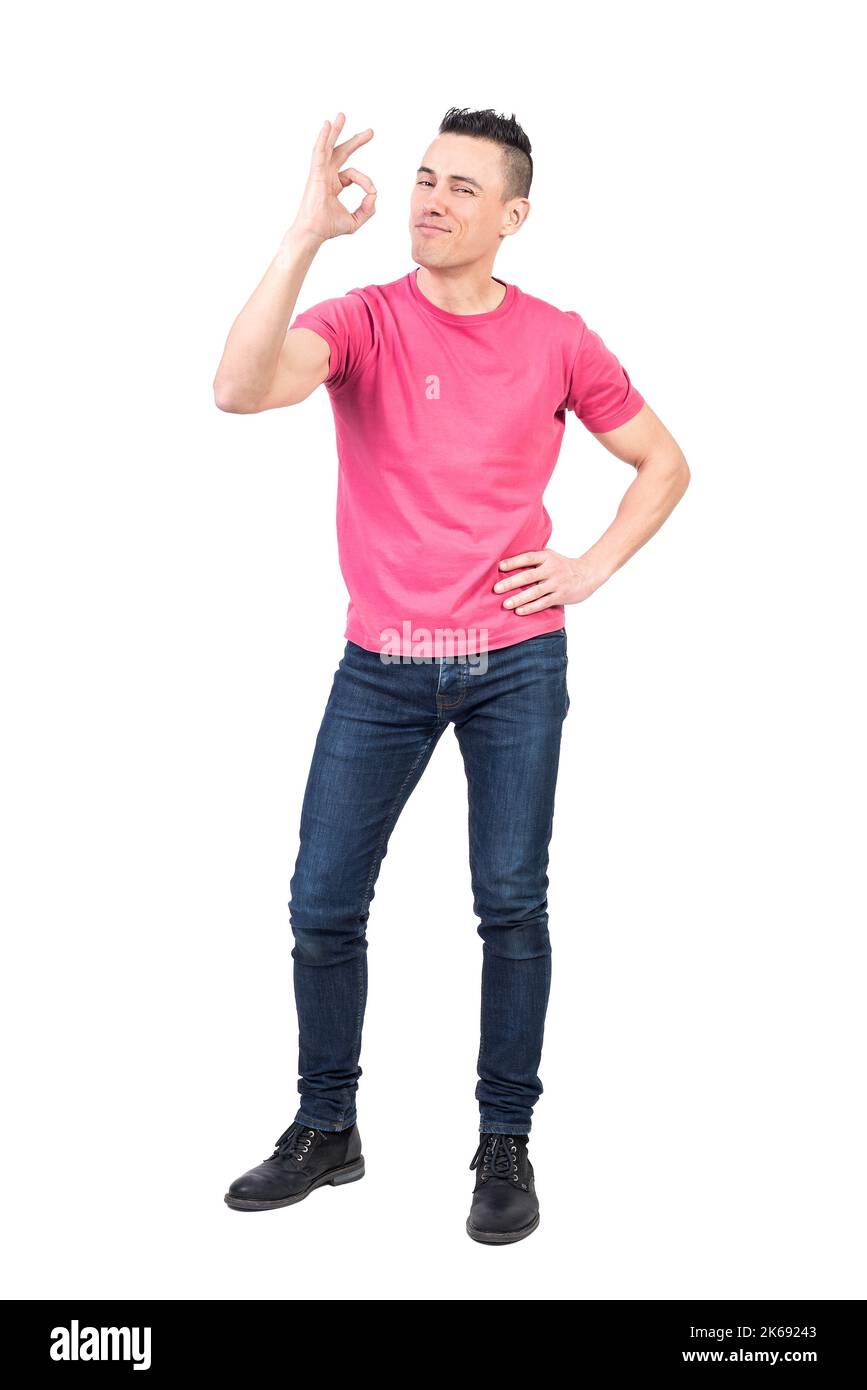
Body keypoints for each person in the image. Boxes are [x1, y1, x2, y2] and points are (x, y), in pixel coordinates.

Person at [214, 106, 690, 1243]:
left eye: (463, 187)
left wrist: (590, 568)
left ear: (512, 215)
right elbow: (237, 389)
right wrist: (301, 237)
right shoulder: (364, 320)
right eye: (425, 179)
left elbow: (665, 462)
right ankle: (328, 1128)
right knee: (322, 903)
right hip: (381, 666)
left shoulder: (559, 338)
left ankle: (505, 1144)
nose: (432, 199)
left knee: (510, 903)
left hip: (514, 667)